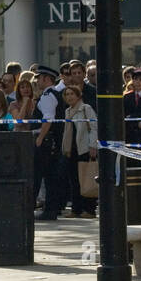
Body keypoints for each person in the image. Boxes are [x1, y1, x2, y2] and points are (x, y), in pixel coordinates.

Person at [32, 68, 67, 220]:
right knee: (51, 176)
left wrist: (40, 138)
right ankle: (51, 209)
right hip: (52, 141)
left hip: (46, 141)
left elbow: (48, 118)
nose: (37, 81)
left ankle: (49, 210)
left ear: (46, 79)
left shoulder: (47, 96)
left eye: (39, 78)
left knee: (41, 175)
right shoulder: (54, 94)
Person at [61, 84, 98, 218]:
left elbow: (94, 127)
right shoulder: (68, 111)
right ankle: (76, 209)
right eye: (67, 94)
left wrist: (93, 145)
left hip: (84, 148)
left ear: (78, 95)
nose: (69, 97)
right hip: (71, 149)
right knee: (74, 180)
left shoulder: (85, 109)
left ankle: (89, 209)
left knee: (86, 178)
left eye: (72, 94)